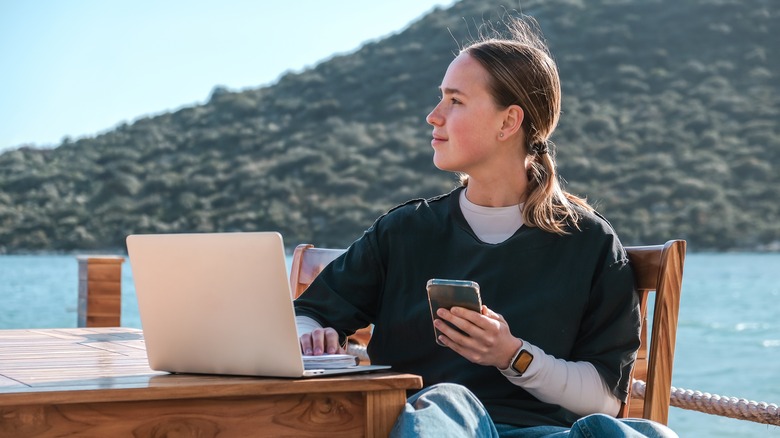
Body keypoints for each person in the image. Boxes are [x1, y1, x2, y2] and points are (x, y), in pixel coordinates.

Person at [294, 15, 677, 438]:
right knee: (445, 399)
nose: (433, 116)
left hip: (544, 433)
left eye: (455, 101)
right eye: (441, 98)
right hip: (438, 426)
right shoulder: (405, 231)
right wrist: (314, 337)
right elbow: (305, 314)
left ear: (508, 122)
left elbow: (606, 397)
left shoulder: (589, 242)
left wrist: (511, 355)